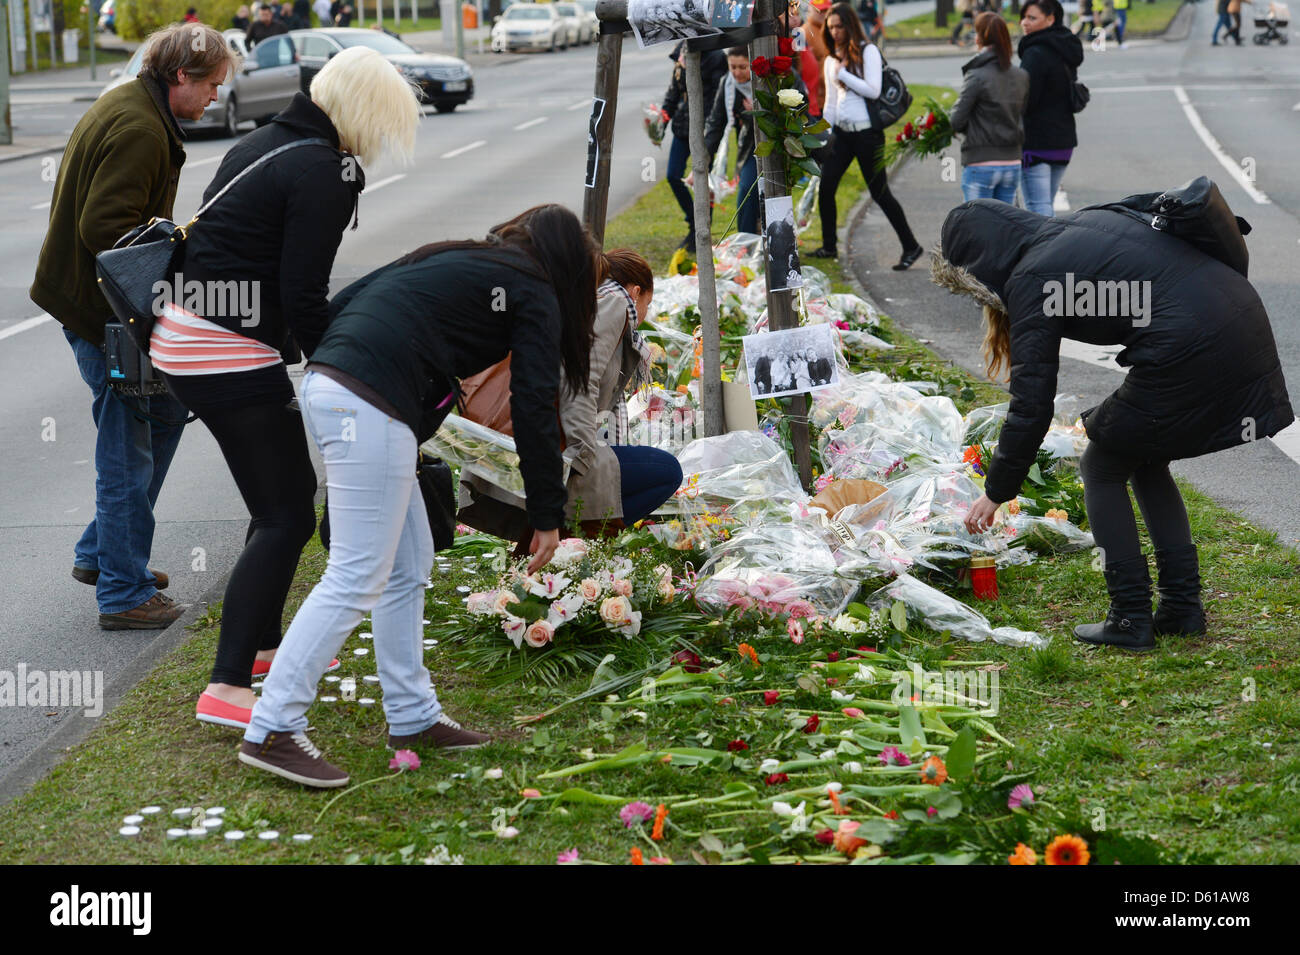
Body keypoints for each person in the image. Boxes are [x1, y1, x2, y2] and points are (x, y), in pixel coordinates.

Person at [238, 205, 599, 787]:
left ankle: (412, 716)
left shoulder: (454, 255)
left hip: (342, 387)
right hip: (369, 404)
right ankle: (273, 727)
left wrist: (349, 367)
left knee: (406, 564)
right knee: (356, 573)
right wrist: (546, 517)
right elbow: (534, 408)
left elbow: (343, 302)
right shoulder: (533, 289)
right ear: (567, 267)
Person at [150, 47, 419, 730]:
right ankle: (228, 683)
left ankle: (266, 645)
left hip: (192, 330)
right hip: (221, 346)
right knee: (287, 514)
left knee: (281, 499)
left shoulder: (271, 138)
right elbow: (303, 293)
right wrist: (348, 370)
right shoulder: (324, 171)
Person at [936, 199, 1293, 651]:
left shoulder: (1031, 277)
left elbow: (1032, 403)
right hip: (1239, 317)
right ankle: (1181, 610)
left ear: (981, 263)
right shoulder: (1078, 224)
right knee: (1143, 456)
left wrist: (997, 490)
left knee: (1101, 466)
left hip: (1193, 343)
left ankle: (1129, 619)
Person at [31, 24, 234, 631]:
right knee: (127, 449)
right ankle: (122, 592)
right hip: (101, 313)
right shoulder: (143, 129)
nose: (216, 98)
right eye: (212, 86)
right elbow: (107, 229)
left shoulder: (132, 104)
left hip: (91, 301)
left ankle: (105, 553)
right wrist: (179, 244)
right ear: (181, 77)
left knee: (163, 418)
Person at [459, 249, 683, 545]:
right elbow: (580, 382)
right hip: (559, 450)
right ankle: (574, 543)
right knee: (666, 471)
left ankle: (552, 549)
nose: (645, 314)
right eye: (648, 304)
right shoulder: (614, 304)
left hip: (525, 441)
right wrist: (580, 457)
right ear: (636, 291)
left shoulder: (578, 304)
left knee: (638, 472)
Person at [812, 2, 923, 269]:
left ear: (850, 25)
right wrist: (824, 133)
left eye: (840, 26)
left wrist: (845, 75)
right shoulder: (830, 58)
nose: (836, 32)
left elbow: (873, 90)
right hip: (841, 135)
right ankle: (829, 246)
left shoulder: (868, 51)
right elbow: (830, 102)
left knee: (880, 192)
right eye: (831, 27)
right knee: (826, 187)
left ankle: (911, 246)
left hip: (866, 134)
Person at [704, 46, 805, 237]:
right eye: (732, 67)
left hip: (782, 145)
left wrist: (759, 113)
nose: (736, 73)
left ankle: (778, 243)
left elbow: (798, 111)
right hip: (752, 148)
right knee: (747, 191)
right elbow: (716, 122)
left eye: (742, 67)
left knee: (775, 196)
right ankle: (747, 241)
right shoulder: (728, 84)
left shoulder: (771, 79)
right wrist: (705, 157)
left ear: (752, 66)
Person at [950, 11, 1029, 204]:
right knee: (1005, 228)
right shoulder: (1021, 75)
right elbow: (1021, 114)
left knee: (978, 228)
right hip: (1012, 162)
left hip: (981, 161)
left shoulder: (976, 75)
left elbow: (956, 120)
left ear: (981, 38)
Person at [1017, 0, 1083, 217]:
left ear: (1050, 18)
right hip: (1063, 142)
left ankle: (1045, 250)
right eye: (1024, 17)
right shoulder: (1066, 47)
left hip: (1037, 142)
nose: (1024, 23)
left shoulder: (1034, 53)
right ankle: (1050, 247)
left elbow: (1026, 99)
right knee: (1045, 204)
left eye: (1032, 18)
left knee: (1038, 208)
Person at [661, 41, 729, 250]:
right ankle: (694, 221)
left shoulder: (716, 56)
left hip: (707, 129)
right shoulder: (682, 49)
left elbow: (720, 96)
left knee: (703, 181)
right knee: (673, 175)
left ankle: (701, 232)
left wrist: (712, 126)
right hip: (683, 126)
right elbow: (674, 89)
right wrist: (662, 119)